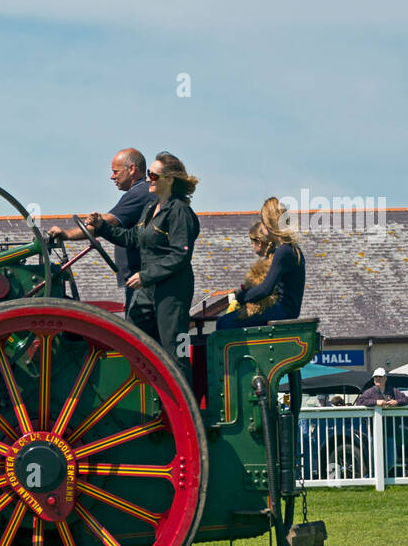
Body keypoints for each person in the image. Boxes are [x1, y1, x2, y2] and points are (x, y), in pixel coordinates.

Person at [85, 152, 201, 376]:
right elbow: (132, 239)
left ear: (169, 180)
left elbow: (180, 254)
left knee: (175, 353)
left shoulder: (180, 212)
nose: (149, 180)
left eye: (154, 176)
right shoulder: (151, 209)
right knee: (134, 341)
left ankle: (186, 405)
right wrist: (102, 227)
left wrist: (145, 276)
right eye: (148, 175)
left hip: (172, 292)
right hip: (148, 290)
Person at [49, 148, 157, 315]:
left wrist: (66, 234)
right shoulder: (141, 192)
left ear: (132, 169)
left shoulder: (139, 193)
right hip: (140, 277)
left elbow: (108, 222)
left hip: (141, 279)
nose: (112, 177)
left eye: (116, 172)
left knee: (138, 328)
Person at [217, 198, 306, 330]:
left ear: (269, 224)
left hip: (282, 310)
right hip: (288, 309)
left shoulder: (283, 251)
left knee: (224, 323)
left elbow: (265, 289)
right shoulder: (291, 249)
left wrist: (240, 297)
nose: (261, 226)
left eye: (263, 222)